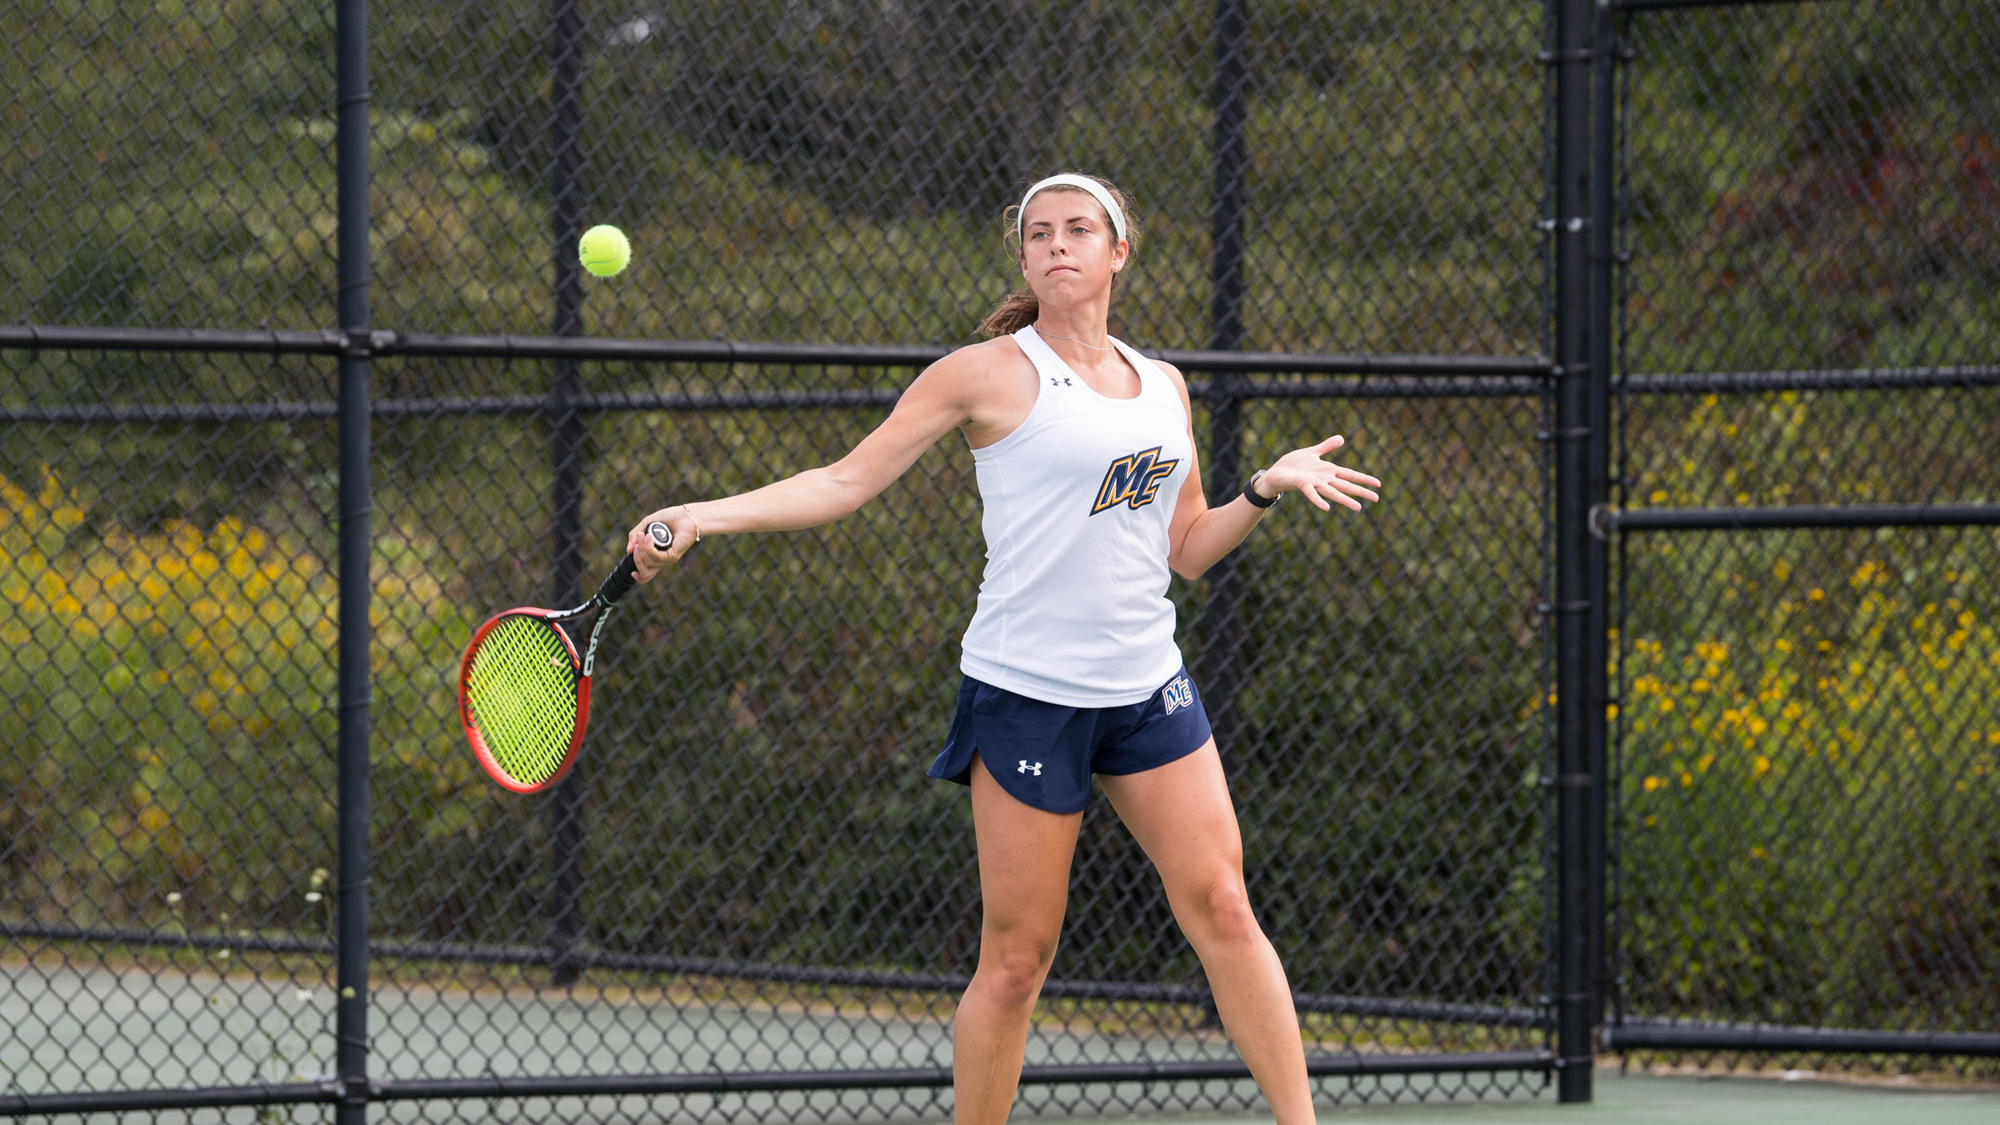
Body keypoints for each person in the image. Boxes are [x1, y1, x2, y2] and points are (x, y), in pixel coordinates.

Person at [626, 173, 1380, 1125]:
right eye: (1039, 233)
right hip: (1027, 696)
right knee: (1018, 961)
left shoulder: (1165, 387)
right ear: (1024, 259)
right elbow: (846, 480)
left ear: (1118, 251)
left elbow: (1185, 548)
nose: (1058, 244)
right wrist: (702, 514)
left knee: (1226, 909)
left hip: (1149, 687)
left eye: (1079, 229)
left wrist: (1263, 488)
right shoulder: (983, 373)